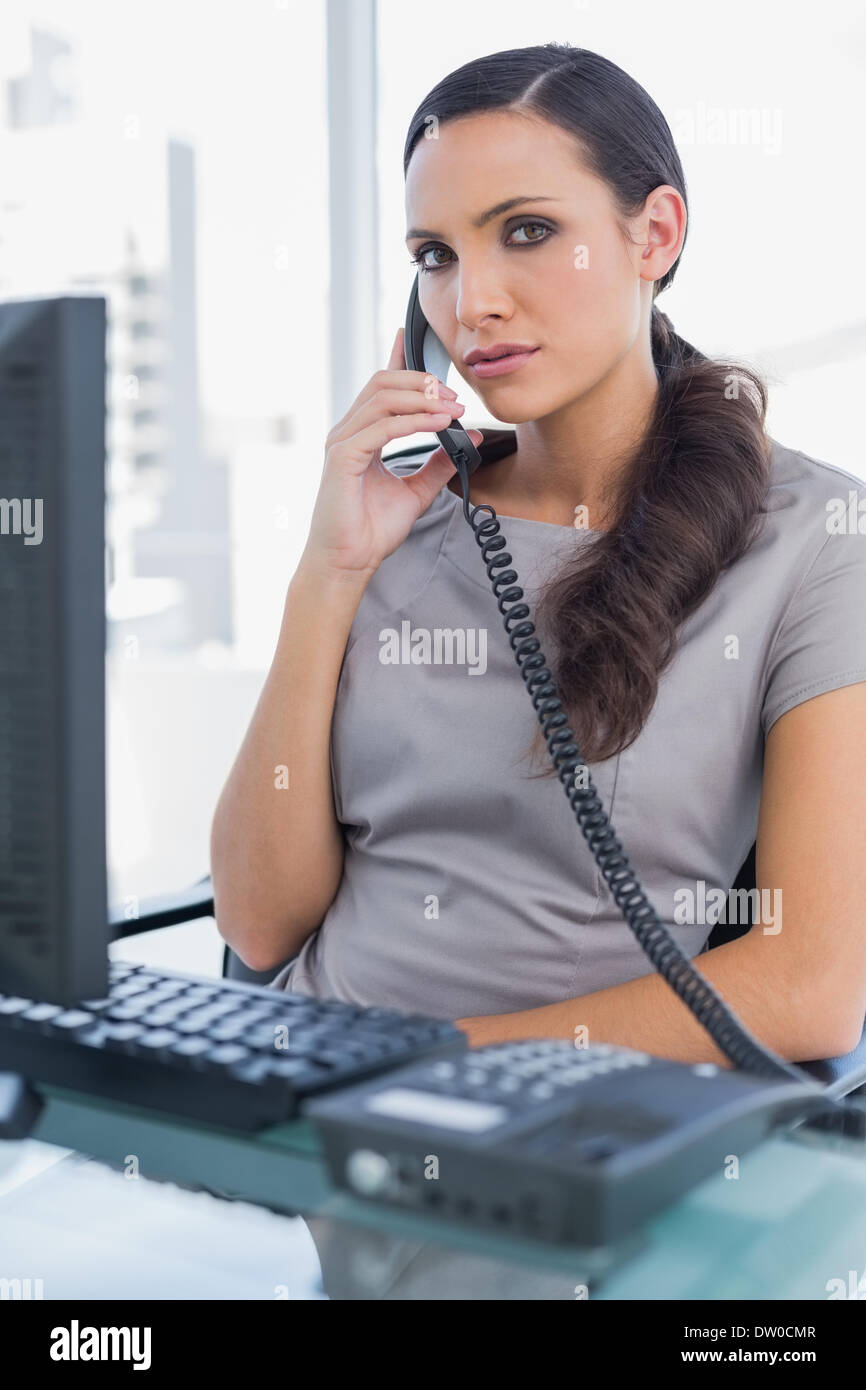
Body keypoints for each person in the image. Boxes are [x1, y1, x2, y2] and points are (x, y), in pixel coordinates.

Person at [210, 43, 866, 1298]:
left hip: (557, 1155)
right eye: (435, 256)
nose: (471, 303)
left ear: (652, 232)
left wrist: (420, 1058)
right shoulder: (398, 520)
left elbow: (811, 985)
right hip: (315, 1142)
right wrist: (328, 569)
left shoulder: (813, 540)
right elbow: (259, 919)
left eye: (524, 231)